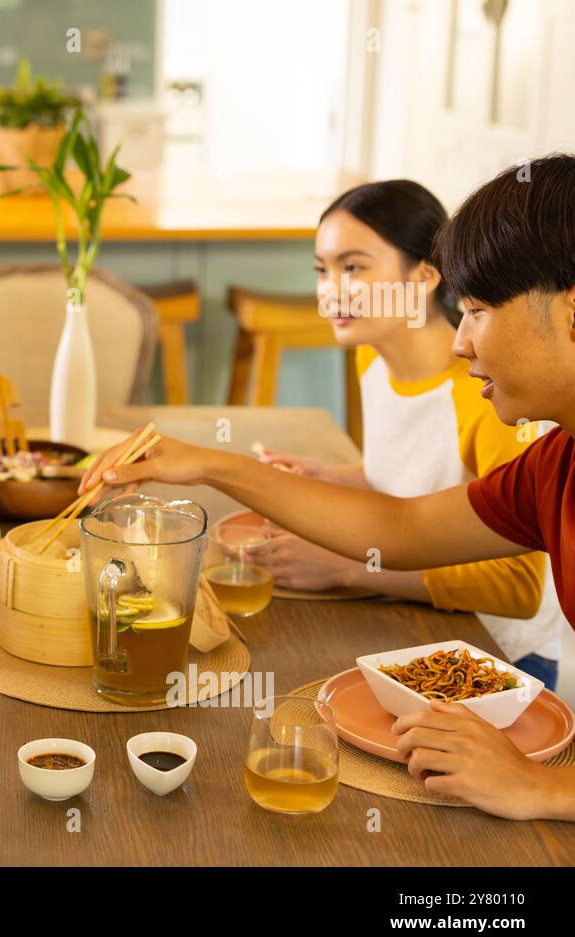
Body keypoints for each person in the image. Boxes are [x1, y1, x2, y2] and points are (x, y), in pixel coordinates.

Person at [81, 155, 575, 821]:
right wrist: (208, 464)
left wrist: (544, 789)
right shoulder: (554, 462)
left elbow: (484, 574)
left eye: (480, 310)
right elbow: (401, 530)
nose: (460, 341)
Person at [252, 179, 564, 687]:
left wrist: (348, 568)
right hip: (417, 624)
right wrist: (338, 477)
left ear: (423, 277)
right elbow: (420, 479)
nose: (331, 289)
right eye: (321, 269)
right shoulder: (371, 359)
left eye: (352, 267)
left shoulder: (490, 395)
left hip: (499, 657)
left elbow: (519, 587)